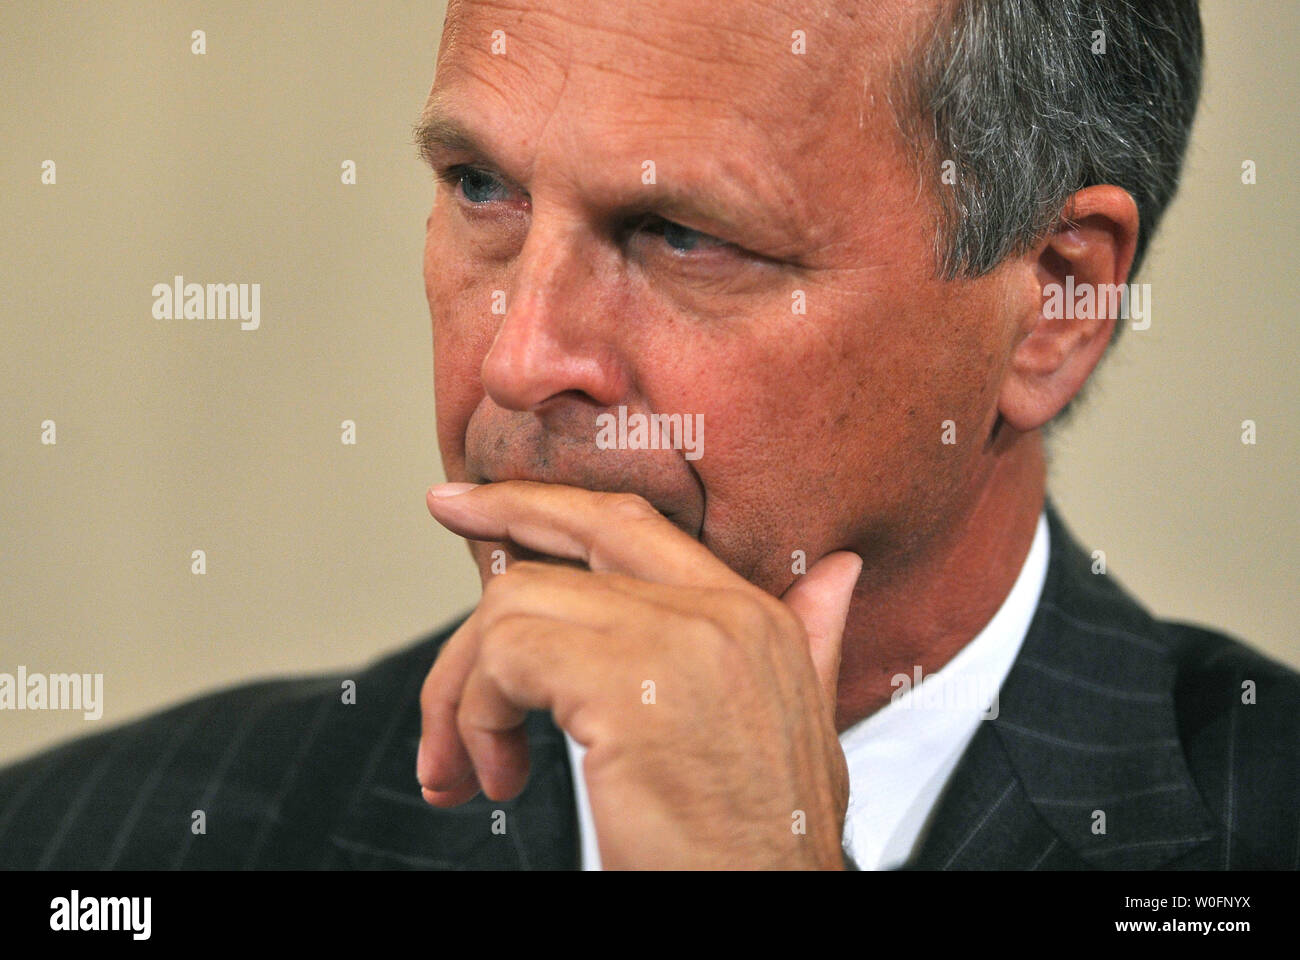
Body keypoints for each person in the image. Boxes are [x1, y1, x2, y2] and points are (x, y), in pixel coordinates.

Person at [2, 0, 1296, 871]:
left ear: (1054, 304)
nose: (518, 358)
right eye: (481, 189)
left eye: (684, 236)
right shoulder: (92, 843)